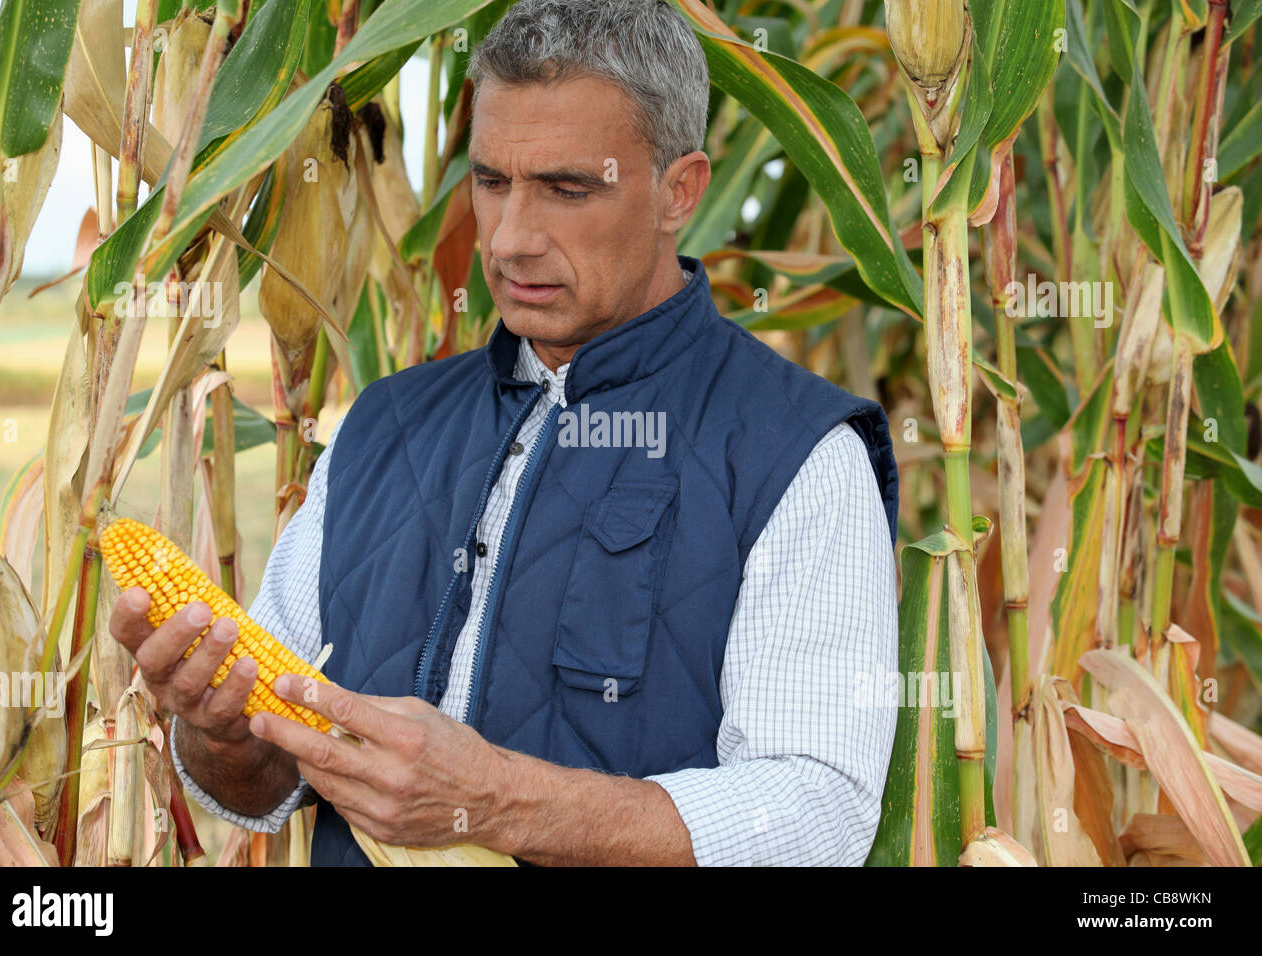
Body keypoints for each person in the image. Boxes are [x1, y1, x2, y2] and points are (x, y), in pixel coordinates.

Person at [108, 0, 901, 866]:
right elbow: (267, 782)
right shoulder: (384, 429)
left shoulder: (800, 454)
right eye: (491, 182)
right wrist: (222, 738)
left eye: (568, 189)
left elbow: (819, 814)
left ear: (682, 191)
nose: (512, 240)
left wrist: (496, 804)